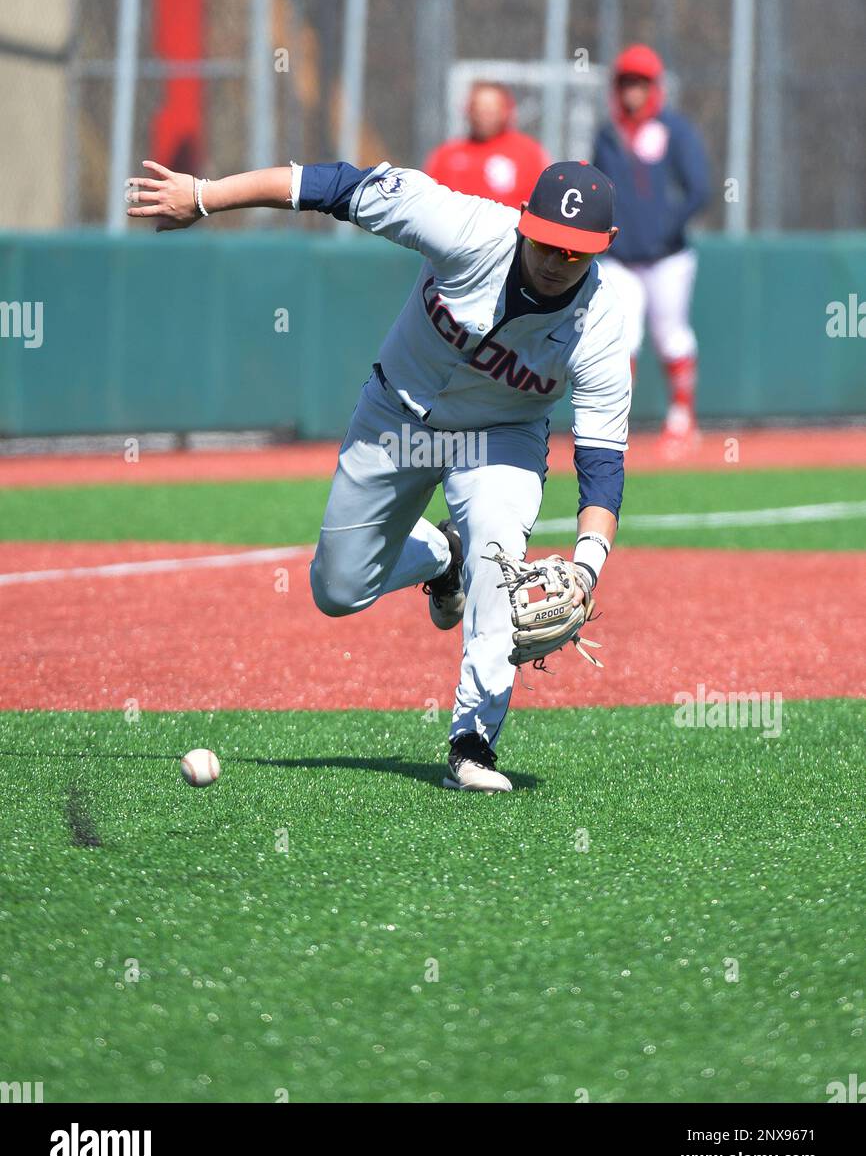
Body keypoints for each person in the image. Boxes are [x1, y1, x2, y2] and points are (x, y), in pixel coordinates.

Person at [125, 154, 630, 794]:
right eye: (548, 242)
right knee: (336, 589)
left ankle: (472, 746)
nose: (558, 260)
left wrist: (589, 566)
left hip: (500, 441)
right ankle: (440, 557)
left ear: (603, 249)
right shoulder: (463, 227)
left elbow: (602, 459)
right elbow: (331, 186)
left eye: (576, 252)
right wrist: (202, 194)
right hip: (396, 415)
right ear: (525, 221)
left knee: (497, 567)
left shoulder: (601, 326)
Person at [592, 44, 711, 455]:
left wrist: (665, 230)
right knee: (622, 337)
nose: (632, 91)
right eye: (626, 82)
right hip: (621, 258)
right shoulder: (607, 133)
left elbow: (699, 188)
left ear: (653, 87)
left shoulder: (673, 129)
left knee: (671, 336)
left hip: (669, 257)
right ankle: (613, 423)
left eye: (640, 83)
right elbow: (597, 189)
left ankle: (683, 419)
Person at [424, 81, 549, 209]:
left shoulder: (528, 152)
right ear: (469, 111)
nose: (485, 114)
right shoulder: (447, 155)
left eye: (492, 108)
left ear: (506, 111)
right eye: (479, 108)